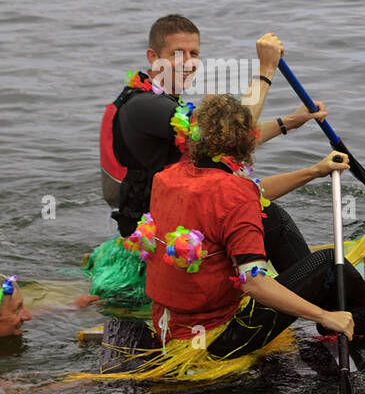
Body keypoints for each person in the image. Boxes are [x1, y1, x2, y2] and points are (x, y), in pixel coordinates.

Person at [136, 94, 365, 364]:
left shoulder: (169, 176)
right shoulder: (234, 193)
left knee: (270, 214)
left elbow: (250, 195)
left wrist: (315, 171)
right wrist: (323, 317)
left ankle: (339, 302)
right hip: (218, 340)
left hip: (170, 325)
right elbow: (254, 282)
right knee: (326, 261)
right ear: (245, 142)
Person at [89, 15, 327, 307]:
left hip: (167, 221)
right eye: (177, 54)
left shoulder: (159, 103)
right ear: (153, 57)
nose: (187, 62)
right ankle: (320, 303)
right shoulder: (146, 107)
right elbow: (233, 136)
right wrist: (266, 70)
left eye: (194, 54)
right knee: (271, 219)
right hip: (162, 241)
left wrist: (288, 122)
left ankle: (310, 295)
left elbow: (222, 140)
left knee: (247, 200)